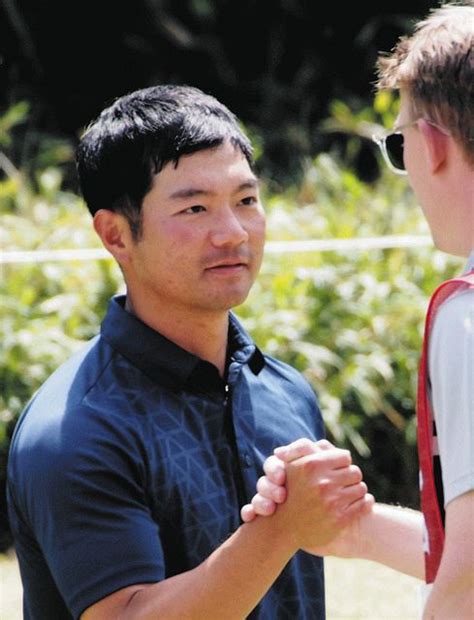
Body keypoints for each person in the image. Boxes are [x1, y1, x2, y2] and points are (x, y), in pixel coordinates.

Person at [7, 84, 373, 619]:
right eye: (196, 208)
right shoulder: (76, 429)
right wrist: (279, 529)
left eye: (246, 201)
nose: (232, 233)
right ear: (115, 235)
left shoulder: (286, 391)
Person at [241, 3, 474, 619]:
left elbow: (471, 573)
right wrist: (361, 530)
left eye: (399, 144)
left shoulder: (466, 314)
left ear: (432, 145)